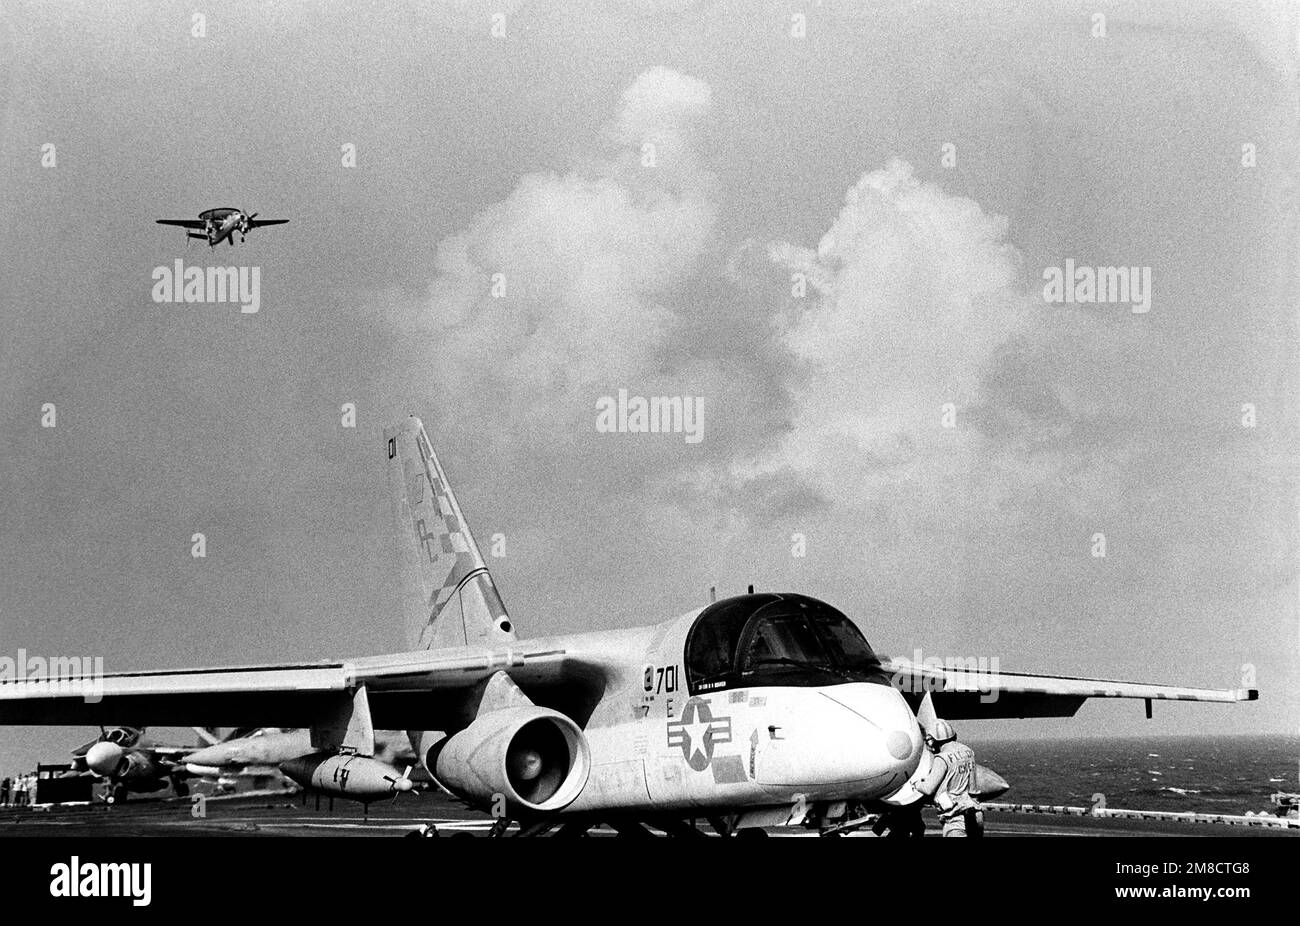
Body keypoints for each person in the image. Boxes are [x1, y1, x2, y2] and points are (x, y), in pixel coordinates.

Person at [928, 720, 984, 837]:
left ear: (934, 741)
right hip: (976, 814)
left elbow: (928, 788)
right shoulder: (969, 752)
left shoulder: (942, 758)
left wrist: (916, 783)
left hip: (956, 818)